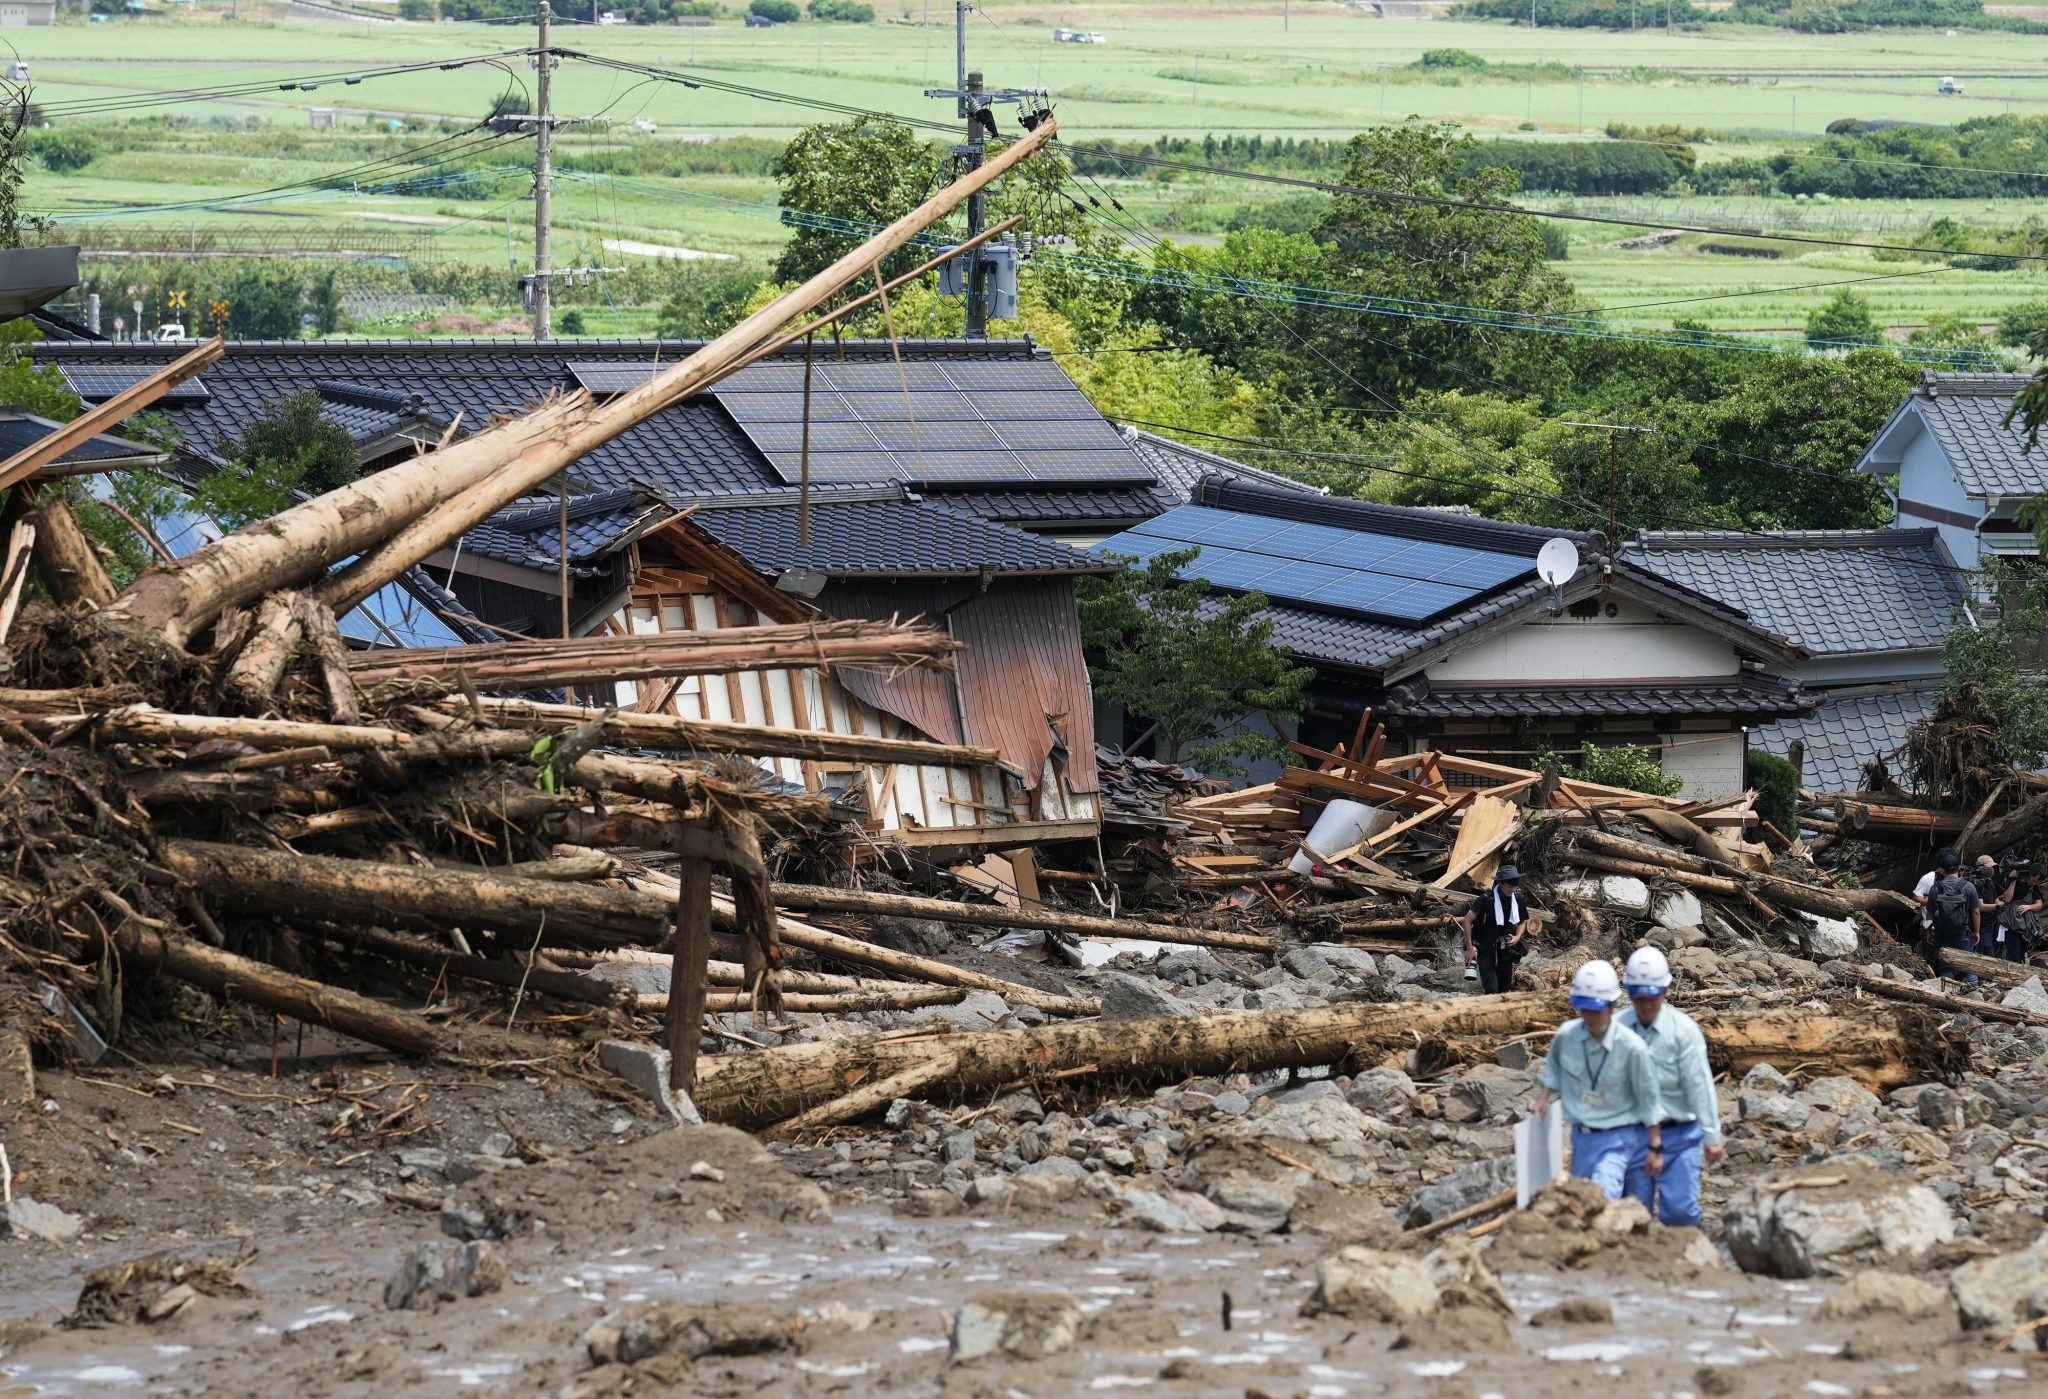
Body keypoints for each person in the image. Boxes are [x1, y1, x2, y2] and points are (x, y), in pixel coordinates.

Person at [1532, 959, 1665, 1200]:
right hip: (1581, 1136)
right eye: (1585, 1010)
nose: (1590, 1016)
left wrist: (1655, 1145)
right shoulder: (1567, 1036)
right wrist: (1542, 1100)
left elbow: (1649, 1097)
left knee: (1603, 1194)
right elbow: (1554, 1070)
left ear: (1613, 1005)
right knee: (1582, 1197)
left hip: (1619, 1135)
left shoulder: (1631, 1047)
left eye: (1596, 1010)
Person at [1616, 946, 1723, 1229]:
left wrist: (1712, 1135)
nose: (1646, 1004)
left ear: (1665, 991)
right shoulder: (1618, 1029)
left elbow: (1699, 1085)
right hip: (1636, 1133)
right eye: (1638, 996)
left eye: (1652, 996)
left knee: (1680, 1215)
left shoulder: (1683, 1032)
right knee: (1634, 1213)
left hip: (1680, 1133)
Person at [1913, 848, 1983, 983]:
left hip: (1941, 934)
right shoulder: (1968, 887)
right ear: (1959, 867)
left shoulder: (1935, 888)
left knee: (1945, 968)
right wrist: (1976, 932)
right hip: (1962, 933)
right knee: (1968, 966)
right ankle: (1974, 993)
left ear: (1942, 869)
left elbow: (1930, 913)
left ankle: (1947, 994)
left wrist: (1929, 932)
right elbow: (1975, 911)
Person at [1460, 864, 1530, 995]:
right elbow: (1467, 920)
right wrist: (1470, 949)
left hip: (1505, 948)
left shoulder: (1518, 899)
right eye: (1509, 886)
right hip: (1485, 948)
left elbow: (1523, 921)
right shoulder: (1486, 899)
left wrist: (1517, 937)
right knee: (1492, 988)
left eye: (1515, 886)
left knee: (1504, 989)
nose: (1512, 889)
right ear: (1500, 883)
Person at [1993, 865, 2045, 965]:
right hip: (2011, 922)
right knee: (2013, 953)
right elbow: (2007, 899)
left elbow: (2039, 905)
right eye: (2034, 880)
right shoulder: (2017, 880)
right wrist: (2013, 881)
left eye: (2037, 882)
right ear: (2030, 875)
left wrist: (2028, 907)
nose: (2034, 883)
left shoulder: (2033, 888)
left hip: (2025, 925)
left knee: (2022, 952)